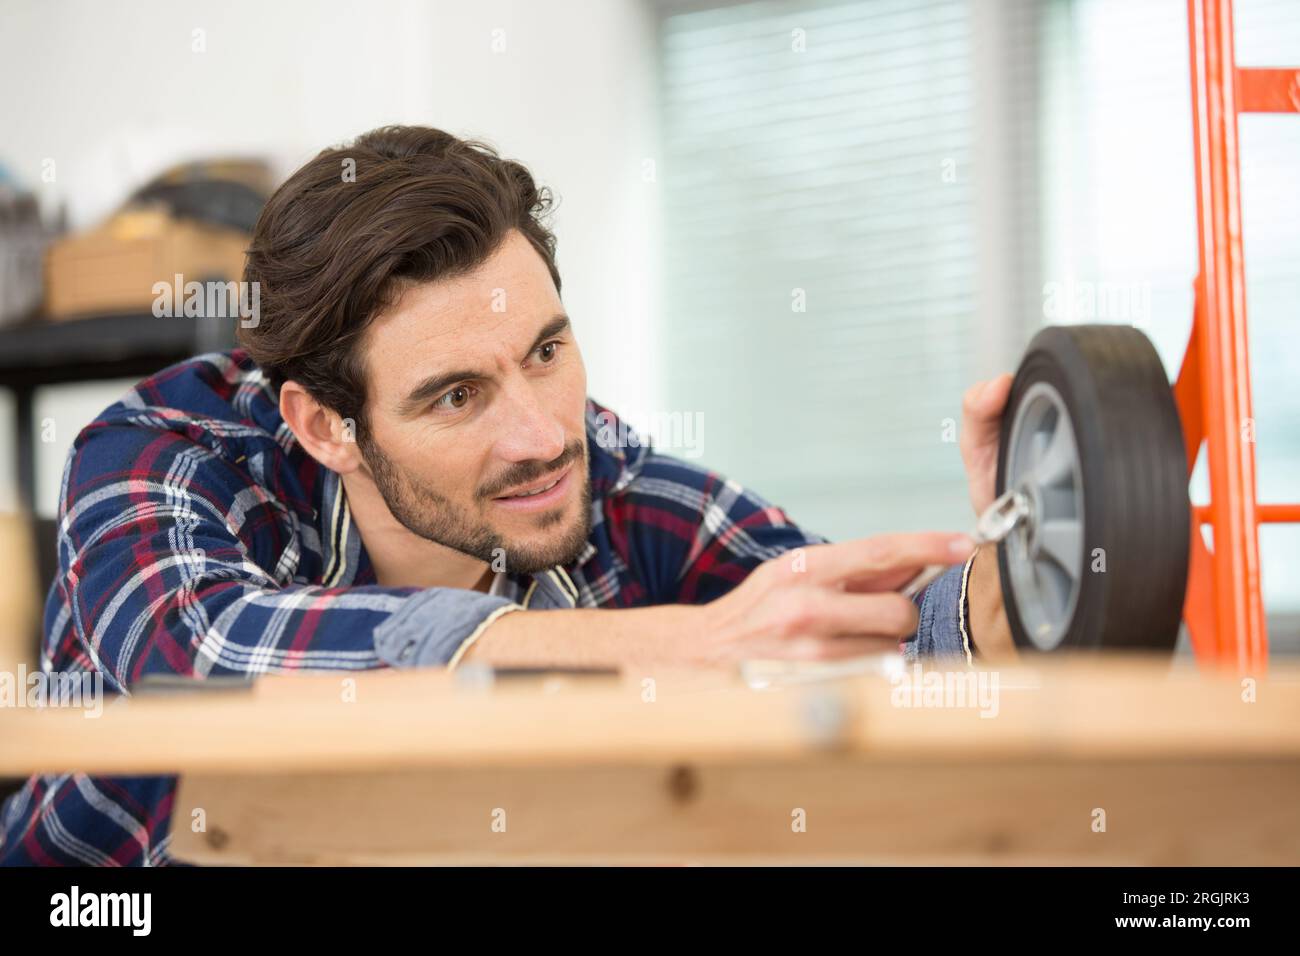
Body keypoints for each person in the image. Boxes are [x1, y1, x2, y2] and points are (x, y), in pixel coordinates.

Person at [0, 126, 1013, 865]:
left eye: (545, 349)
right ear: (323, 425)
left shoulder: (594, 466)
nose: (539, 434)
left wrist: (998, 588)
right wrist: (668, 645)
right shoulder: (165, 451)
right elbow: (196, 655)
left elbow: (824, 619)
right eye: (454, 395)